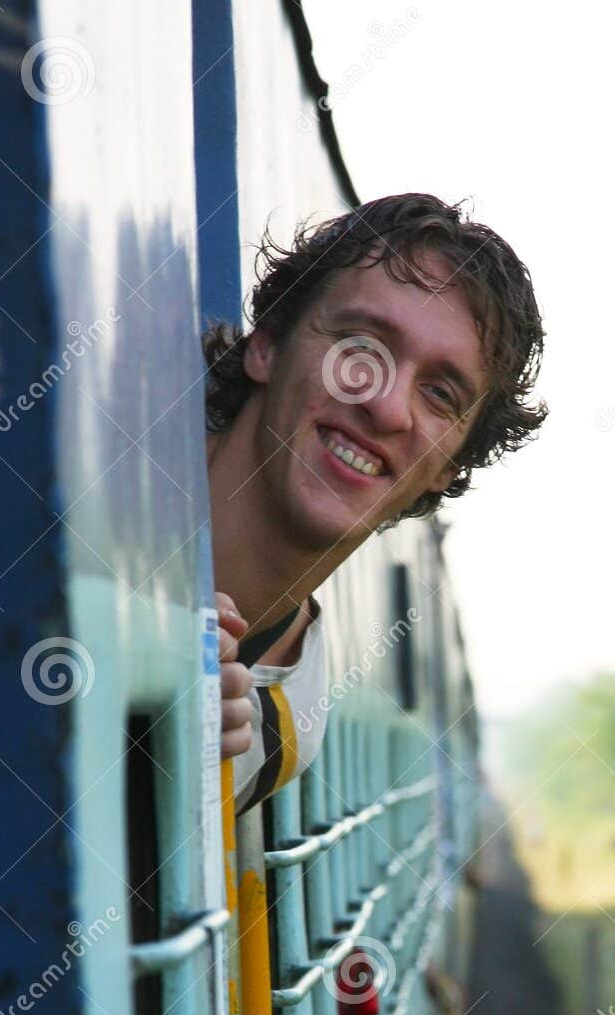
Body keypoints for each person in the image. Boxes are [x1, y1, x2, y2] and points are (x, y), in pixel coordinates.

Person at [204, 191, 547, 813]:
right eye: (362, 346)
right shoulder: (69, 482)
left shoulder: (281, 728)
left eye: (440, 395)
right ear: (269, 344)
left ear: (448, 467)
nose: (386, 406)